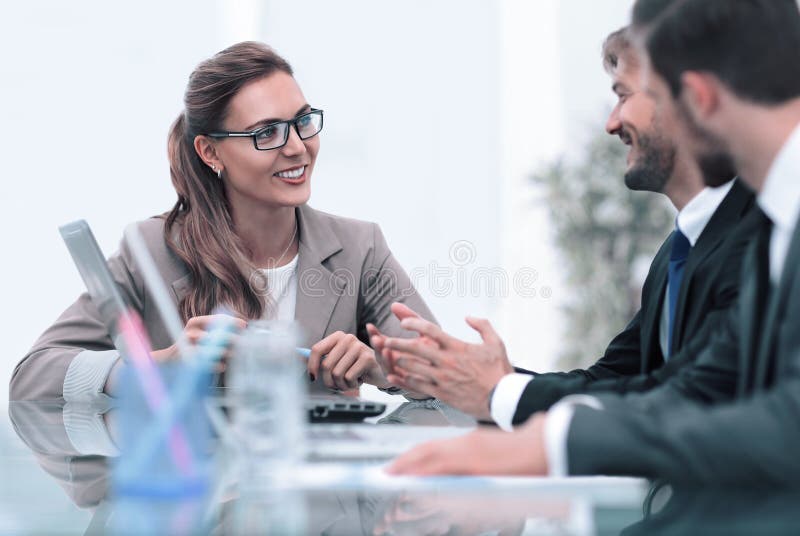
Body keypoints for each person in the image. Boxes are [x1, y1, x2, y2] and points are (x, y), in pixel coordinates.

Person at [385, 0, 800, 486]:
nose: (611, 123)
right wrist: (489, 390)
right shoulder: (763, 229)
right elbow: (694, 386)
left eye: (644, 95)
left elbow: (765, 422)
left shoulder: (761, 231)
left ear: (698, 98)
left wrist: (541, 438)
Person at [10, 41, 434, 402]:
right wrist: (163, 365)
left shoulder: (360, 248)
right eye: (265, 133)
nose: (297, 148)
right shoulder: (151, 250)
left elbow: (445, 370)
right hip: (202, 494)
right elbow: (33, 377)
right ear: (210, 153)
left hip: (318, 495)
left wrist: (379, 367)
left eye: (303, 122)